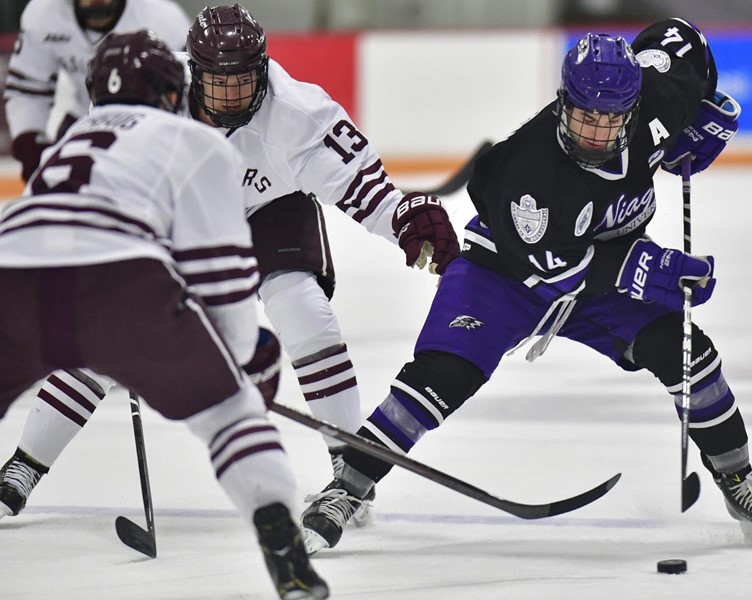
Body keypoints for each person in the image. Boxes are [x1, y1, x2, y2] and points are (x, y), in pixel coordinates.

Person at [295, 20, 752, 553]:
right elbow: (566, 272)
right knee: (440, 378)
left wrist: (706, 113)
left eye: (611, 121)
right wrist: (655, 269)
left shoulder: (658, 98)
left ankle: (738, 480)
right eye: (585, 116)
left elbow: (680, 42)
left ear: (634, 108)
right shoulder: (529, 177)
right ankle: (346, 488)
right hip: (507, 273)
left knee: (689, 356)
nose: (595, 133)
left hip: (602, 272)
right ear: (563, 102)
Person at [0, 3, 459, 537]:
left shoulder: (298, 112)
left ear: (263, 70)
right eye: (219, 83)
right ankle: (22, 470)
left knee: (301, 307)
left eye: (244, 81)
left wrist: (404, 219)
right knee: (99, 339)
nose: (232, 96)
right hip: (183, 218)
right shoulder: (154, 93)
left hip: (271, 212)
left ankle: (349, 470)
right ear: (195, 73)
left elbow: (365, 191)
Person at [0, 30, 327, 600]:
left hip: (10, 271)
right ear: (176, 90)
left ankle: (18, 472)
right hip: (120, 280)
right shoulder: (192, 141)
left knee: (81, 357)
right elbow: (223, 278)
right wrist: (243, 359)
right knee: (231, 414)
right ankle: (282, 542)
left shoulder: (72, 136)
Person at [4, 0, 190, 184]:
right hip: (82, 121)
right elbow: (28, 89)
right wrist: (29, 141)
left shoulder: (165, 20)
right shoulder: (43, 16)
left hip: (150, 128)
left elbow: (190, 90)